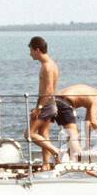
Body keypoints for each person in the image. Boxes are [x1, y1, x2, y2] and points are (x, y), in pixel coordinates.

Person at [27, 36, 61, 170]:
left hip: (46, 103)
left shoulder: (47, 66)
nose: (30, 54)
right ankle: (46, 164)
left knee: (29, 134)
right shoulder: (51, 64)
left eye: (31, 50)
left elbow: (49, 90)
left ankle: (55, 151)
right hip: (49, 102)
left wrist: (39, 108)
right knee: (43, 133)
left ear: (37, 50)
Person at [57, 84, 97, 157]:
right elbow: (94, 122)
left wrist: (87, 143)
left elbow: (88, 122)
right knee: (74, 134)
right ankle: (79, 158)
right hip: (65, 102)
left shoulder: (92, 95)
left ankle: (70, 157)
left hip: (55, 99)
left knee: (71, 132)